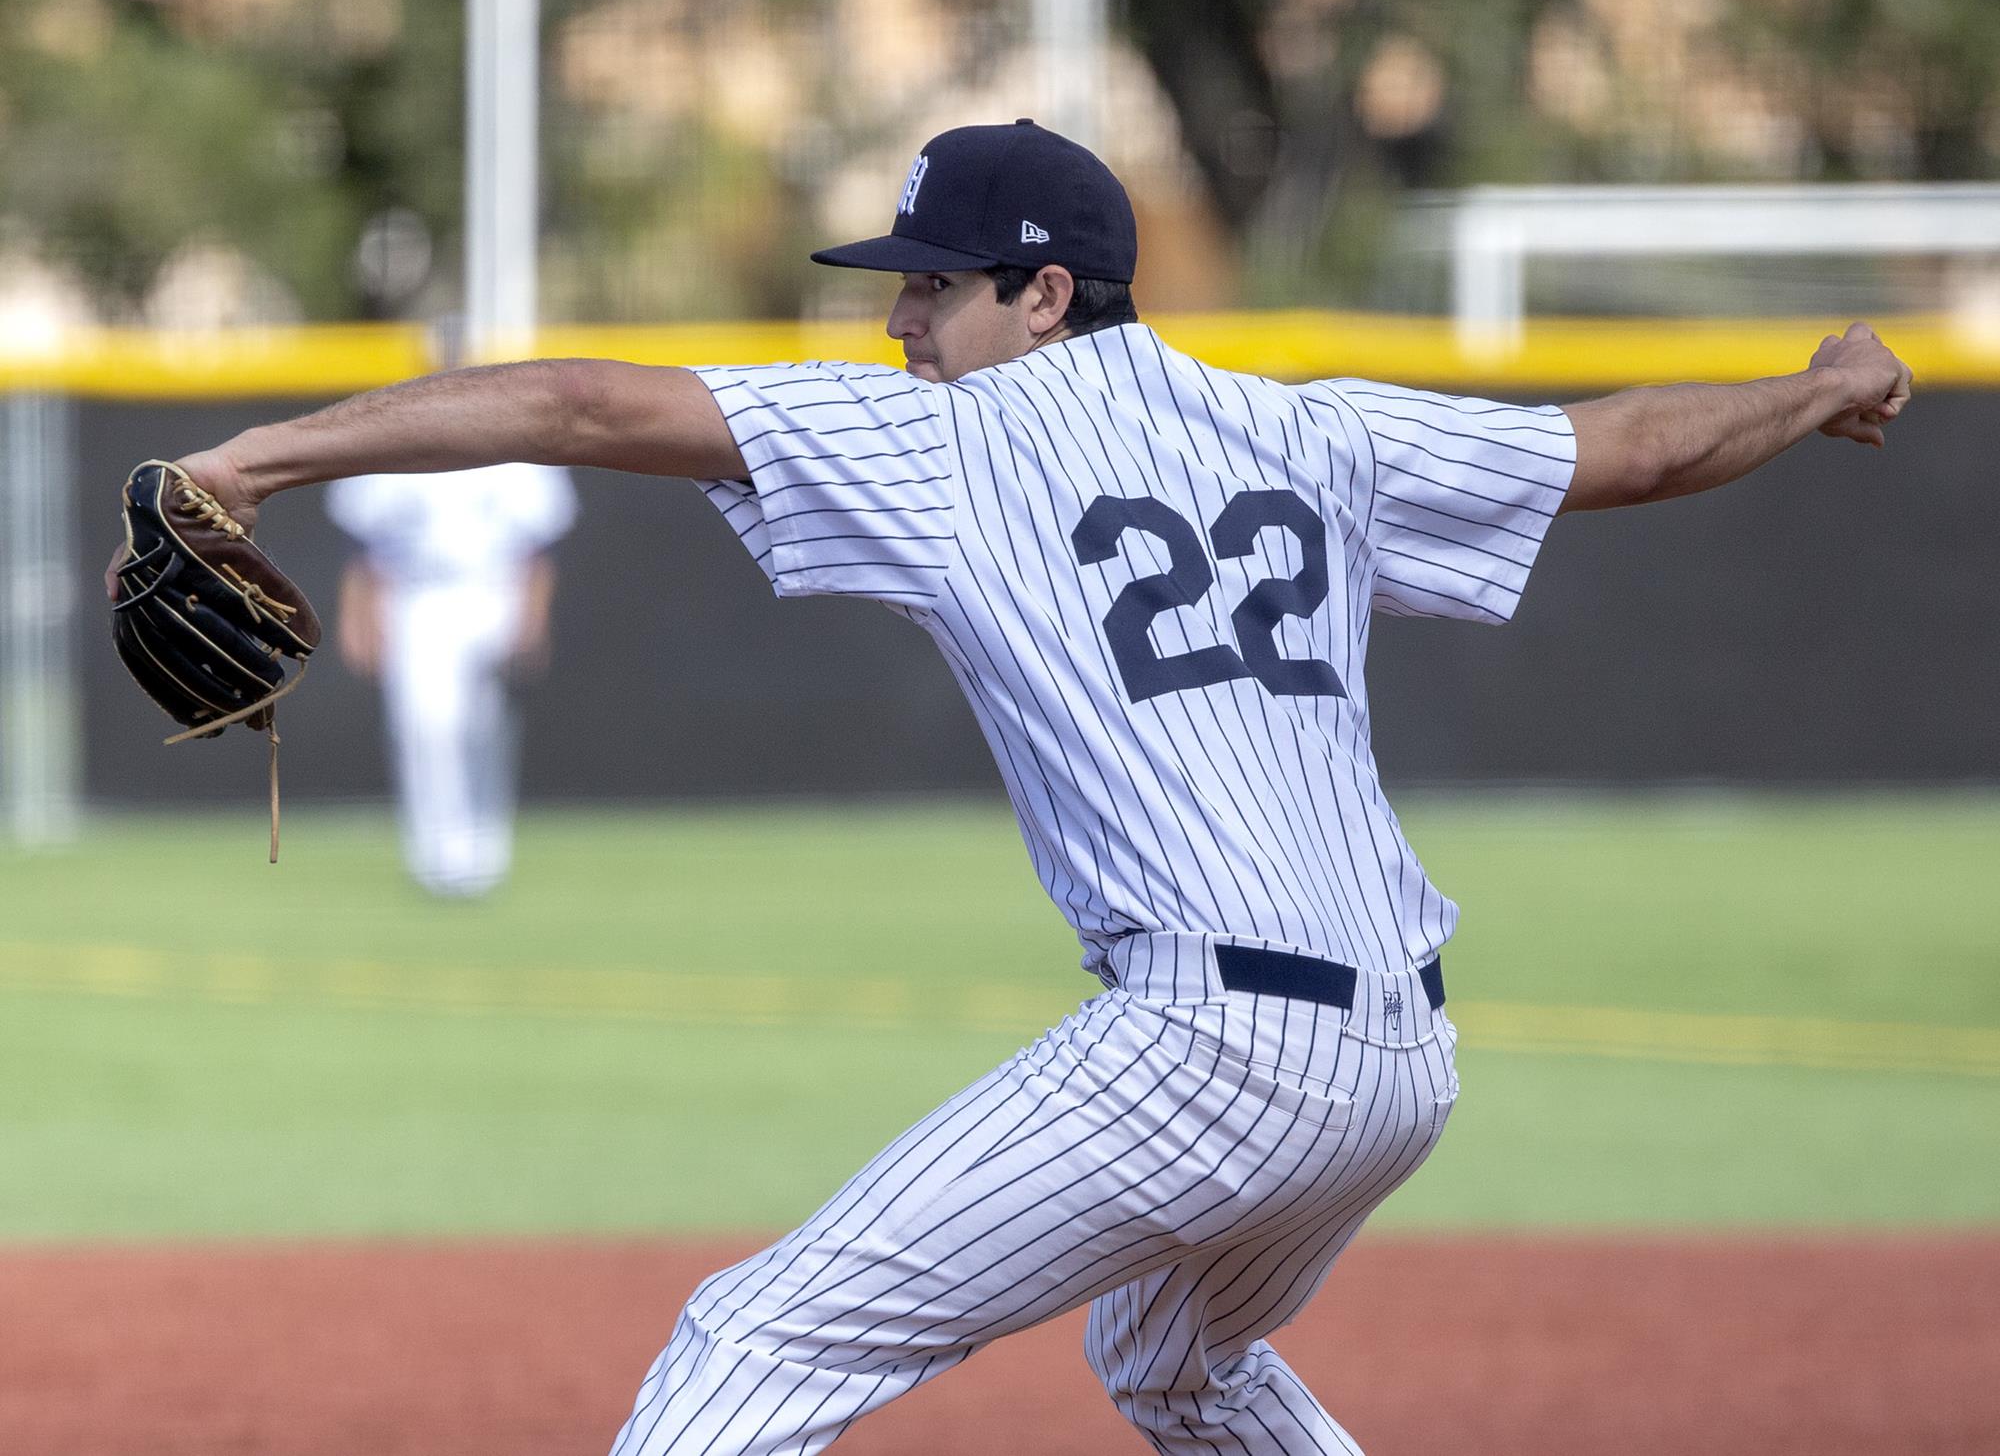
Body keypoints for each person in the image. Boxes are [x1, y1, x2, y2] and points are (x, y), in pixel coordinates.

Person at [114, 120, 1911, 1454]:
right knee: (1175, 1362)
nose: (900, 317)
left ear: (1043, 293)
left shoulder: (954, 439)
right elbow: (1634, 446)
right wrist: (1820, 382)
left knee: (752, 1345)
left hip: (1214, 1045)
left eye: (932, 283)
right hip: (1406, 1053)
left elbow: (585, 406)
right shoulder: (1316, 427)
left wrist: (258, 453)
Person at [326, 463, 574, 897]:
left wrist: (534, 616)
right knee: (427, 725)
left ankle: (484, 851)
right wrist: (356, 616)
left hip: (496, 593)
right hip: (417, 599)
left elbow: (540, 548)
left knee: (484, 729)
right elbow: (361, 547)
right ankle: (438, 855)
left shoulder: (514, 438)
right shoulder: (393, 432)